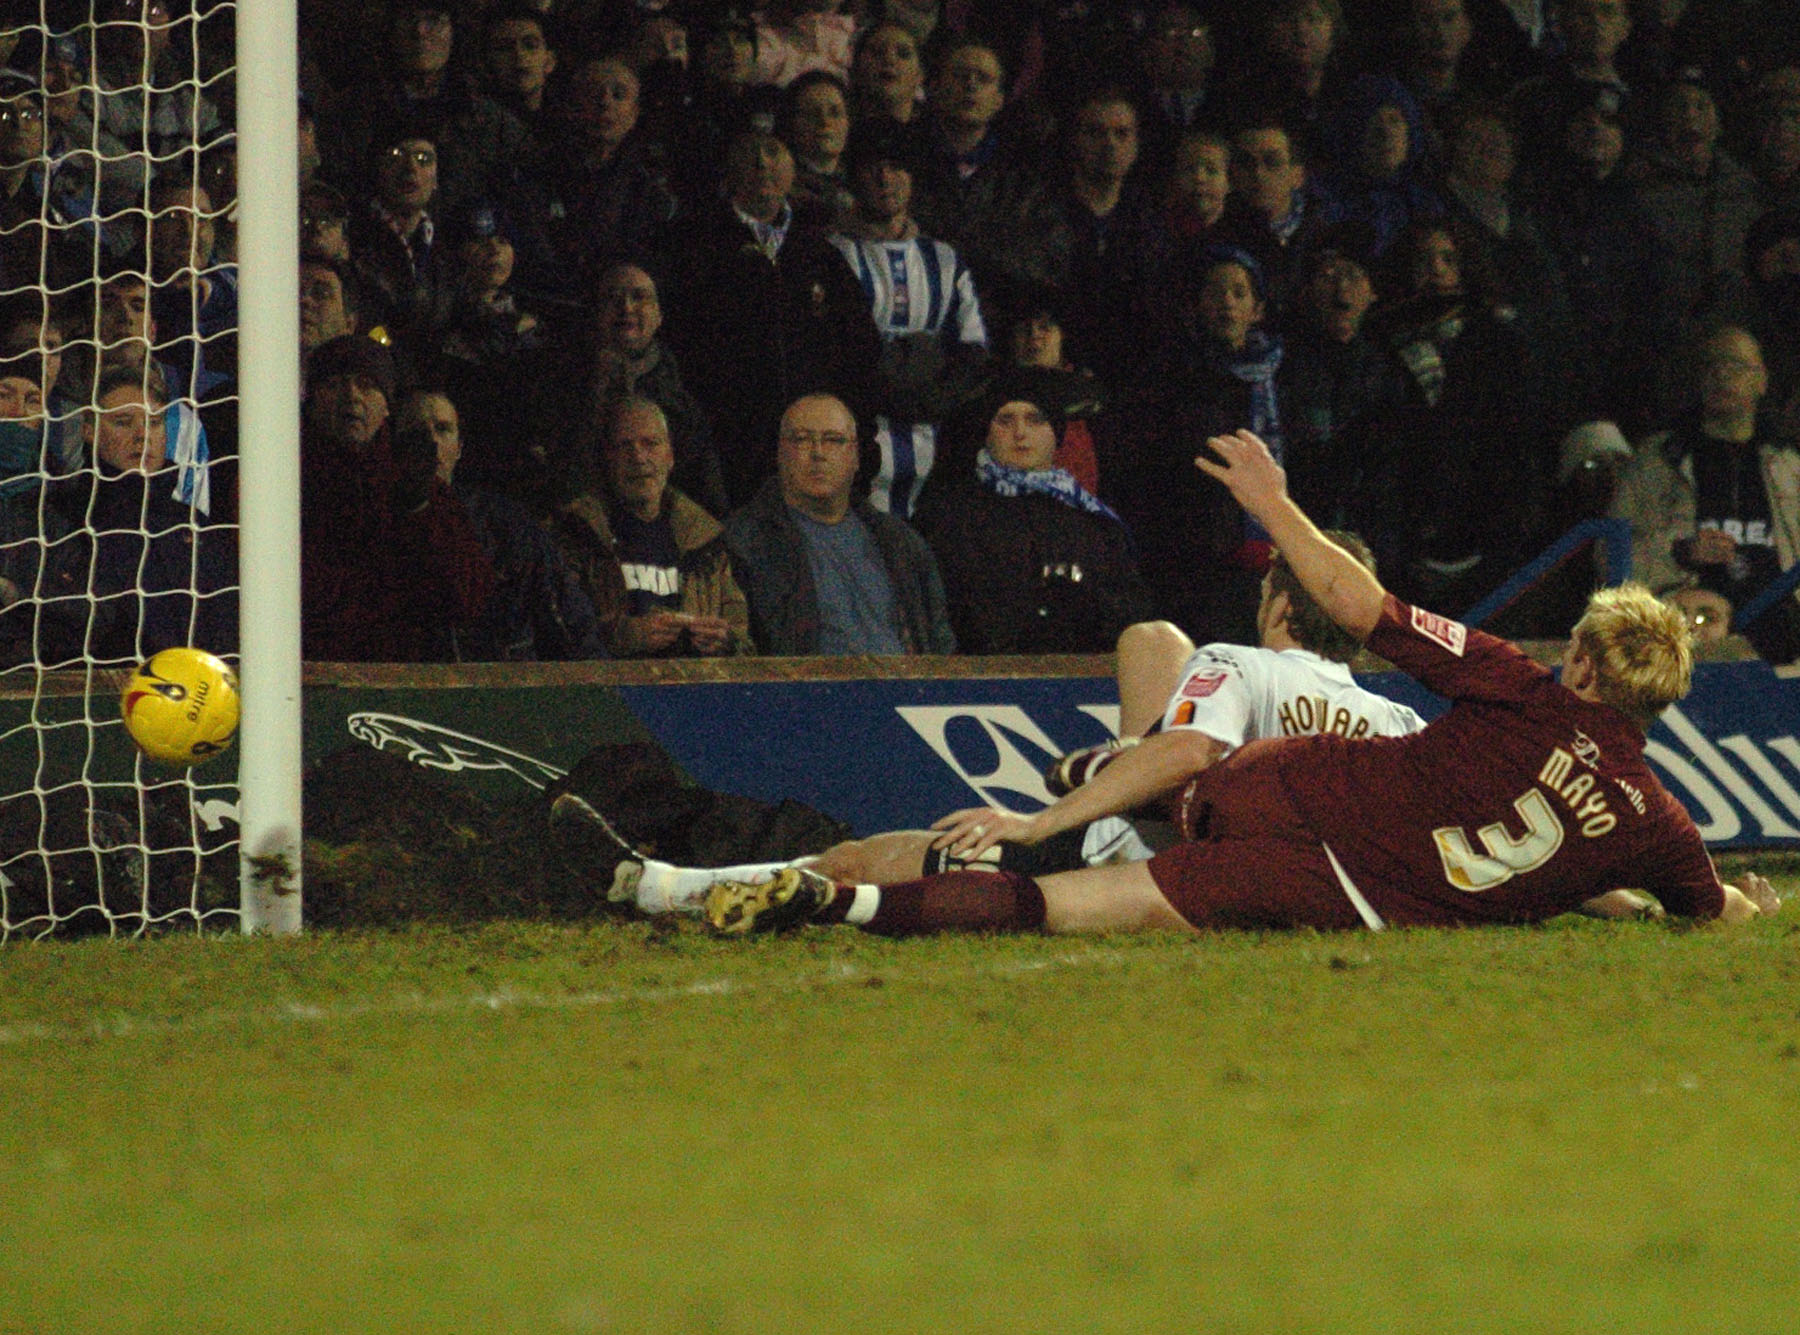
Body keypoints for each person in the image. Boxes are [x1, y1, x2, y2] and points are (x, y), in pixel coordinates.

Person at [699, 428, 1780, 937]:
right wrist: (1713, 899)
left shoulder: (1507, 687)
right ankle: (837, 900)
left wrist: (1052, 808)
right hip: (1351, 895)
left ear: (1585, 664)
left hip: (1249, 797)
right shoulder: (1657, 823)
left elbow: (1359, 611)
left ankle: (836, 873)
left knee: (1153, 675)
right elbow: (1670, 893)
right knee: (1053, 909)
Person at [557, 530, 1433, 915]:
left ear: (1277, 598)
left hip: (1120, 862)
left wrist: (1051, 811)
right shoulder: (1398, 718)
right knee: (1151, 643)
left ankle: (660, 885)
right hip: (1276, 889)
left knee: (864, 864)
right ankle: (667, 882)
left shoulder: (1236, 664)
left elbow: (1188, 753)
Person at [914, 380, 1151, 654]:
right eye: (1005, 420)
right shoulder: (948, 517)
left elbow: (1131, 617)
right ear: (986, 431)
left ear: (1055, 433)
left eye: (1035, 420)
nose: (1020, 433)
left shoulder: (1094, 521)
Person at [1609, 326, 1800, 663]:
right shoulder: (1658, 461)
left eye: (1735, 366)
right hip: (1684, 644)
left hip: (1784, 642)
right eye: (1711, 367)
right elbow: (1612, 555)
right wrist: (1682, 551)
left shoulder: (1790, 467)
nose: (1721, 375)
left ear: (1762, 381)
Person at [828, 122, 987, 517]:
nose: (885, 177)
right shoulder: (832, 255)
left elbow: (974, 350)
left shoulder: (944, 260)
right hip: (855, 457)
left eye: (897, 166)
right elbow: (835, 353)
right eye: (873, 166)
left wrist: (933, 399)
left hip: (937, 466)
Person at [724, 392, 953, 655]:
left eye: (833, 440)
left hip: (905, 692)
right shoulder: (743, 543)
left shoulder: (902, 543)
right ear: (780, 452)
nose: (818, 453)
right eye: (801, 440)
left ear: (855, 456)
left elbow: (939, 641)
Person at [554, 396, 752, 658]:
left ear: (670, 456)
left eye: (650, 443)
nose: (638, 457)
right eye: (624, 446)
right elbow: (557, 634)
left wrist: (726, 642)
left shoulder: (706, 542)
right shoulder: (575, 535)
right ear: (607, 458)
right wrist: (628, 636)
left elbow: (746, 645)